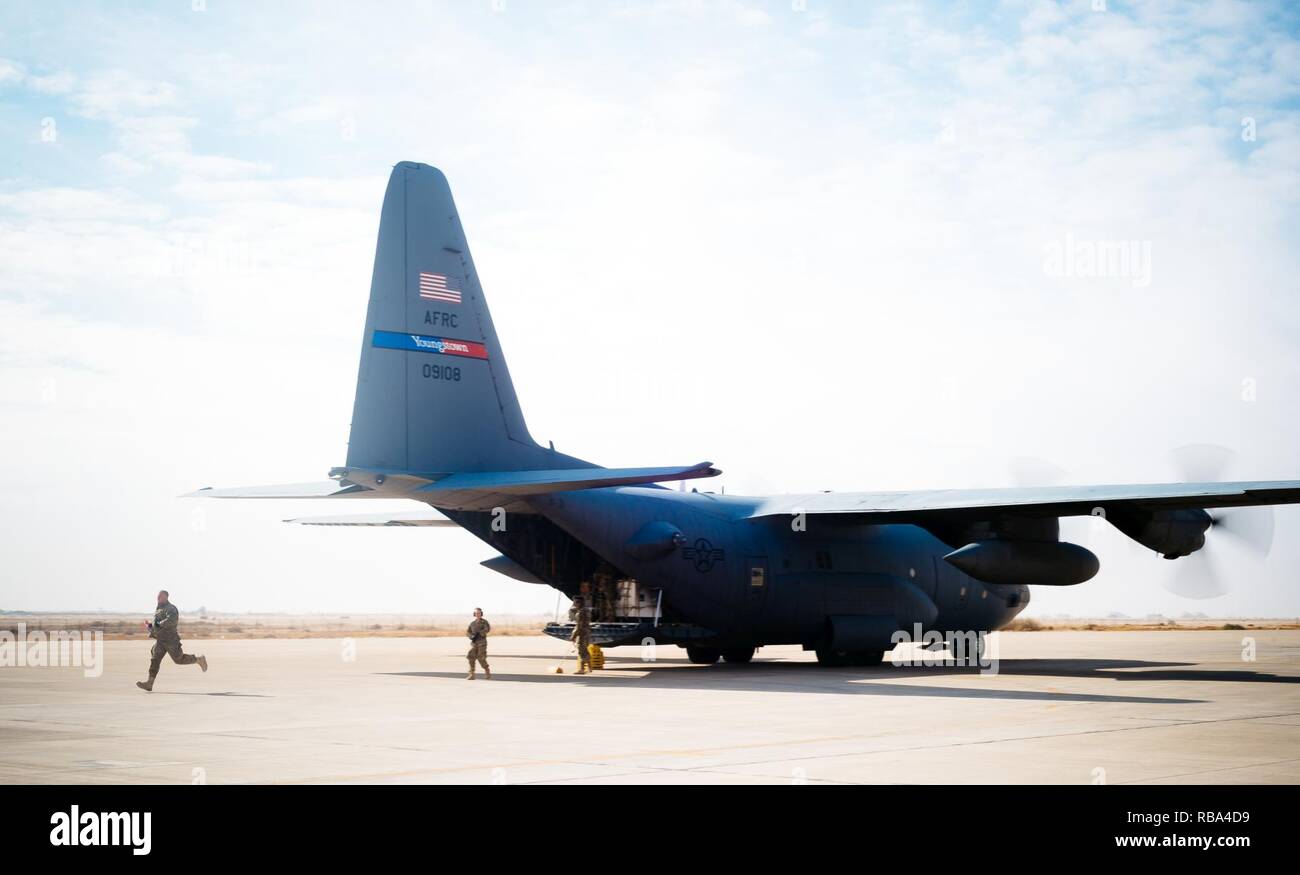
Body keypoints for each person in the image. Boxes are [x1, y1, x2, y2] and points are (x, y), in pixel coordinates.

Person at [136, 590, 207, 692]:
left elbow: (172, 620)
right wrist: (149, 626)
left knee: (179, 660)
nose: (158, 598)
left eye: (160, 596)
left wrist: (158, 624)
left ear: (166, 597)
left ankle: (198, 659)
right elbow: (156, 626)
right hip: (160, 641)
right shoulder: (159, 609)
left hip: (170, 640)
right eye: (157, 596)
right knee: (155, 660)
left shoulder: (171, 608)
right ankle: (149, 683)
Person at [466, 607, 491, 680]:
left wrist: (480, 633)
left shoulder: (484, 622)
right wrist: (471, 636)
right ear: (474, 614)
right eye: (476, 613)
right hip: (474, 643)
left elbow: (487, 629)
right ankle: (471, 674)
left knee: (481, 657)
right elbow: (468, 632)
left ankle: (487, 671)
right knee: (470, 656)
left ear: (481, 614)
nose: (477, 614)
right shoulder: (472, 623)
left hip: (482, 642)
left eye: (479, 613)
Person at [570, 596, 592, 675]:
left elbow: (579, 625)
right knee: (585, 649)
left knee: (581, 650)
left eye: (575, 602)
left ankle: (582, 669)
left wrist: (573, 635)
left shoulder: (580, 613)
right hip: (587, 632)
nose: (574, 604)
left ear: (579, 603)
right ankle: (590, 667)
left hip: (582, 633)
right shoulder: (587, 610)